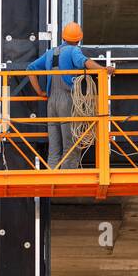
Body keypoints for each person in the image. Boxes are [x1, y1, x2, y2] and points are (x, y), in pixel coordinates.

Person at [27, 23, 114, 170]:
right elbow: (86, 62)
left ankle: (53, 178)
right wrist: (104, 70)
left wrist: (40, 92)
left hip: (51, 102)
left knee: (54, 146)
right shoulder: (74, 51)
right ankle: (68, 178)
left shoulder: (50, 53)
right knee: (71, 143)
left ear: (63, 36)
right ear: (79, 39)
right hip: (67, 99)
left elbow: (30, 69)